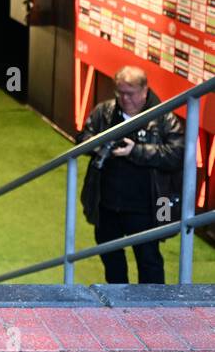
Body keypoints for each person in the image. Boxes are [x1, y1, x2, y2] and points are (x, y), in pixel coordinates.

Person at [78, 65, 185, 284]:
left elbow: (177, 154)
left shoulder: (164, 117)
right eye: (120, 92)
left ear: (145, 90)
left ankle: (153, 308)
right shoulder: (104, 111)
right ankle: (117, 305)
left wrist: (134, 151)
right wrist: (97, 145)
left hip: (145, 207)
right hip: (107, 203)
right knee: (110, 256)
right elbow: (83, 137)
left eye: (130, 93)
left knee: (148, 259)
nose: (124, 98)